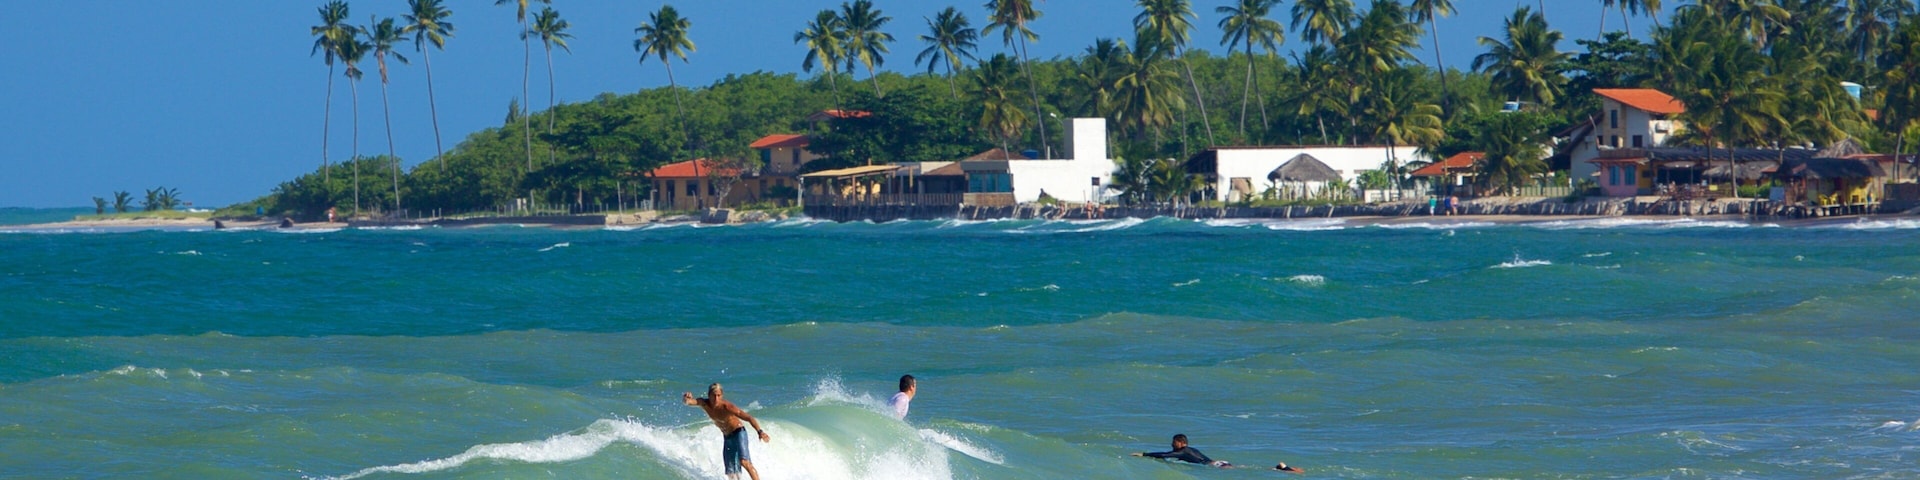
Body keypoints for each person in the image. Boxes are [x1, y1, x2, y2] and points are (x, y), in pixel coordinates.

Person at [684, 383, 772, 480]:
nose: (716, 398)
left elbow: (748, 417)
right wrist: (686, 399)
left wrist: (760, 431)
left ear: (722, 395)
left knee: (744, 461)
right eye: (714, 395)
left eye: (719, 395)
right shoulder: (704, 403)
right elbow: (690, 402)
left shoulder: (727, 407)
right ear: (709, 395)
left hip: (739, 433)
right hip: (727, 437)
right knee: (731, 472)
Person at [1131, 434, 1231, 468]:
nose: (1172, 444)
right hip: (1220, 462)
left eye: (1175, 442)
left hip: (1215, 465)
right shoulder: (1190, 449)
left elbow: (1165, 455)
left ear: (1182, 443)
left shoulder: (1183, 451)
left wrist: (1144, 454)